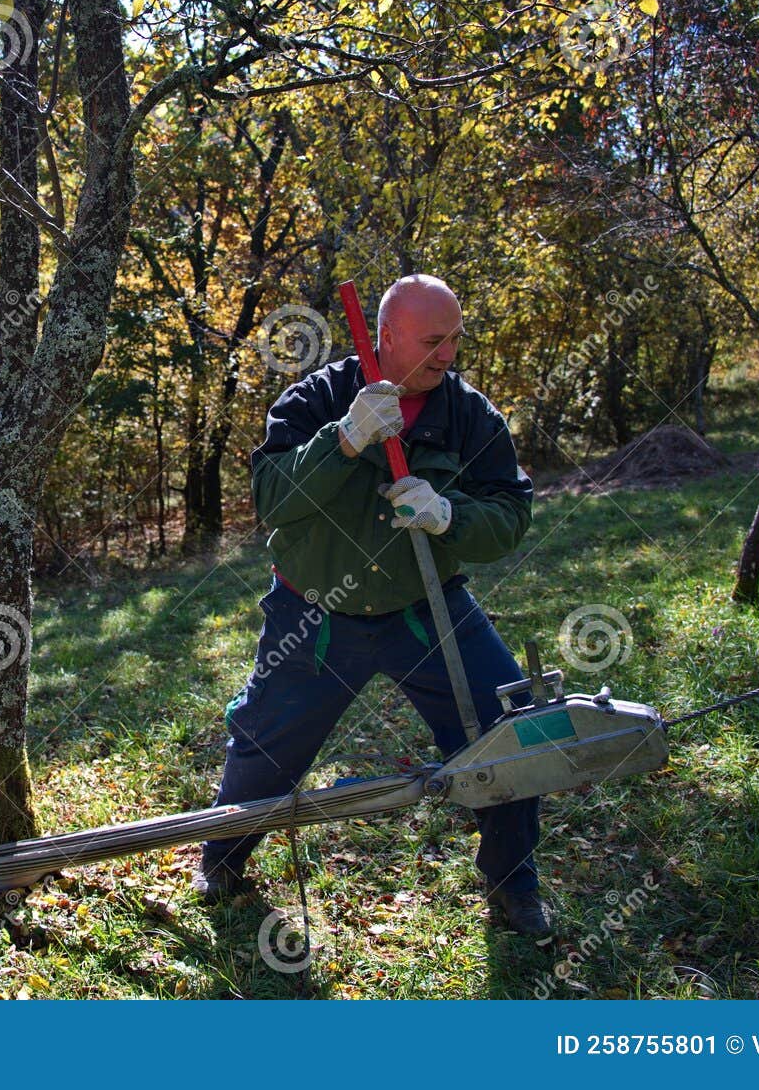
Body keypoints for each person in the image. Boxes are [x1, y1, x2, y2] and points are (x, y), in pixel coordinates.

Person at [194, 274, 550, 936]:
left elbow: (510, 512)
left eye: (455, 340)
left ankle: (513, 884)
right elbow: (271, 498)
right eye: (433, 341)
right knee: (264, 746)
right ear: (385, 337)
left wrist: (449, 514)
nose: (448, 355)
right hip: (315, 616)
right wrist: (344, 442)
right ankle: (223, 860)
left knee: (508, 731)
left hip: (426, 608)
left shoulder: (469, 417)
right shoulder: (316, 399)